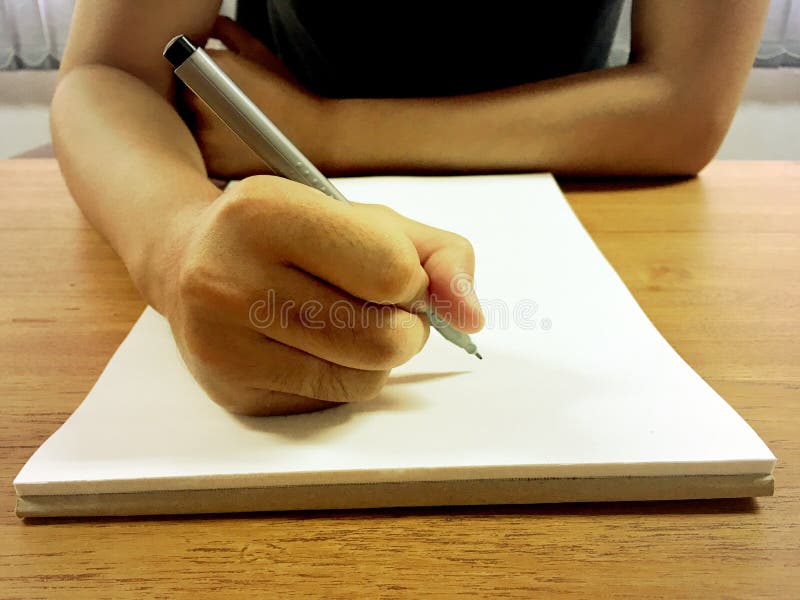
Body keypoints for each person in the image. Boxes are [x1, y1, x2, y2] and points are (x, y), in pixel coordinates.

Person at [51, 1, 768, 416]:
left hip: (582, 189)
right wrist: (175, 241)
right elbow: (108, 71)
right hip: (264, 208)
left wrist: (332, 130)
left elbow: (685, 107)